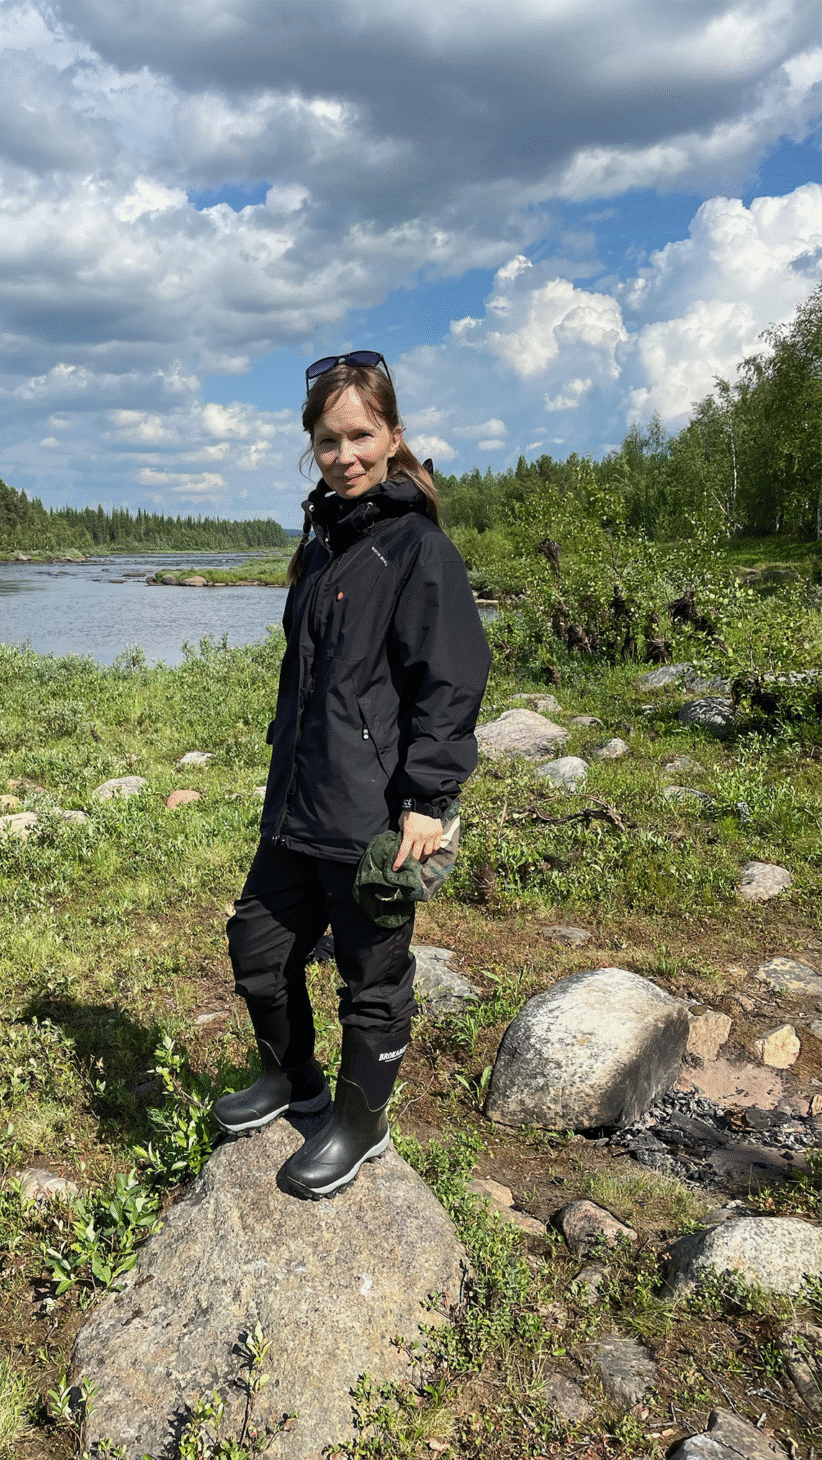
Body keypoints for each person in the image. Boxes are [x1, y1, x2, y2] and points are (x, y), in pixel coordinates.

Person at [214, 351, 491, 1198]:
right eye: (329, 440)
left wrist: (427, 802)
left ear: (394, 436)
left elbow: (451, 678)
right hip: (299, 803)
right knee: (257, 947)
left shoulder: (415, 548)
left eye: (361, 435)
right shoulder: (326, 537)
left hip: (375, 814)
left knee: (371, 980)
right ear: (313, 446)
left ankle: (360, 1123)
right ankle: (291, 1080)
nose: (345, 454)